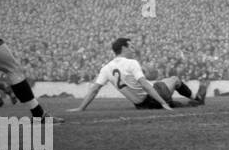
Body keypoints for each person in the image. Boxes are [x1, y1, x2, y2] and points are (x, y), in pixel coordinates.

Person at [71, 37, 207, 112]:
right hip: (151, 99)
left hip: (140, 106)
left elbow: (94, 89)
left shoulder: (106, 68)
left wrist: (81, 108)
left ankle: (190, 102)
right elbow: (145, 85)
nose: (133, 49)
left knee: (175, 103)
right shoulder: (131, 63)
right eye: (131, 46)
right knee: (174, 79)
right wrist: (162, 102)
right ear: (124, 48)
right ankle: (197, 98)